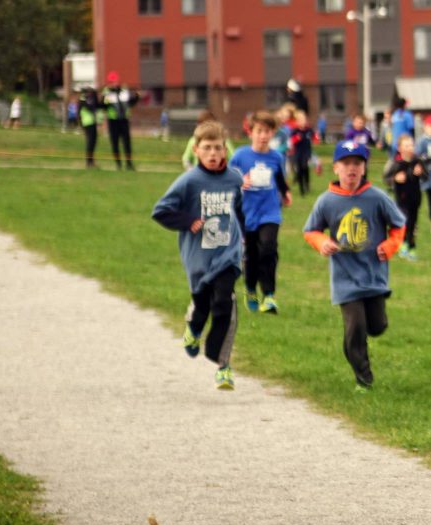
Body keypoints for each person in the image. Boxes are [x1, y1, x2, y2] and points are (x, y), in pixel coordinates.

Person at [302, 140, 407, 391]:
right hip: (345, 278)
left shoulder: (377, 197)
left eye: (357, 164)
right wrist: (322, 242)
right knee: (355, 326)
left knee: (377, 326)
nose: (352, 169)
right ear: (336, 167)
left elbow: (399, 225)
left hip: (374, 276)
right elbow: (310, 230)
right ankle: (363, 377)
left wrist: (390, 246)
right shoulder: (326, 201)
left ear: (364, 168)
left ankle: (361, 340)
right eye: (346, 163)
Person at [152, 121, 244, 390]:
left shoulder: (235, 179)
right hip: (199, 257)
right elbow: (161, 211)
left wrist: (246, 238)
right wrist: (187, 220)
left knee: (224, 303)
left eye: (218, 147)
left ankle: (220, 361)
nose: (214, 153)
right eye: (207, 148)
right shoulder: (189, 181)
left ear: (225, 149)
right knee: (202, 305)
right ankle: (193, 331)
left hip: (228, 254)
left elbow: (240, 209)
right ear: (196, 150)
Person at [230, 110, 292, 315]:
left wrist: (286, 193)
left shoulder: (276, 157)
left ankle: (269, 295)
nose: (263, 136)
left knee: (269, 249)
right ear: (251, 132)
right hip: (247, 213)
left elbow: (281, 179)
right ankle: (250, 289)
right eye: (259, 131)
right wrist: (241, 182)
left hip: (270, 211)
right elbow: (226, 180)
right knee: (252, 255)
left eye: (267, 131)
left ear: (273, 133)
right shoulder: (240, 156)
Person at [383, 134, 426, 260]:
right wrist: (395, 179)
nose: (410, 148)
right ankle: (404, 245)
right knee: (405, 222)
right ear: (400, 148)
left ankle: (411, 247)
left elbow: (426, 177)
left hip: (415, 197)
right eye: (407, 145)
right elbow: (386, 178)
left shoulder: (417, 161)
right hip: (401, 198)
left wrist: (421, 172)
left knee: (413, 224)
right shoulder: (395, 162)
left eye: (412, 145)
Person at [101, 70, 139, 170]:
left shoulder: (124, 91)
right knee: (115, 143)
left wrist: (136, 97)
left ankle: (129, 163)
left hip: (124, 120)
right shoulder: (106, 93)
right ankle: (118, 164)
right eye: (112, 81)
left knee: (127, 142)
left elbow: (130, 103)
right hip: (113, 121)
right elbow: (103, 106)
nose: (115, 83)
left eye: (116, 81)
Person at [289, 110, 318, 197]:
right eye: (301, 120)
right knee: (300, 170)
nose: (303, 122)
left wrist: (316, 139)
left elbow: (315, 138)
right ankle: (301, 189)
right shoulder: (295, 131)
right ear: (297, 122)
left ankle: (307, 185)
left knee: (305, 167)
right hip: (298, 153)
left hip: (306, 152)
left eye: (304, 120)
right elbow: (291, 141)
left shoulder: (309, 130)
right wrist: (297, 138)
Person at [78, 88, 100, 169]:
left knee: (93, 142)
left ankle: (91, 161)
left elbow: (96, 106)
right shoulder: (83, 99)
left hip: (92, 122)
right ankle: (88, 162)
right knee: (90, 143)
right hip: (87, 123)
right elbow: (89, 107)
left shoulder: (90, 99)